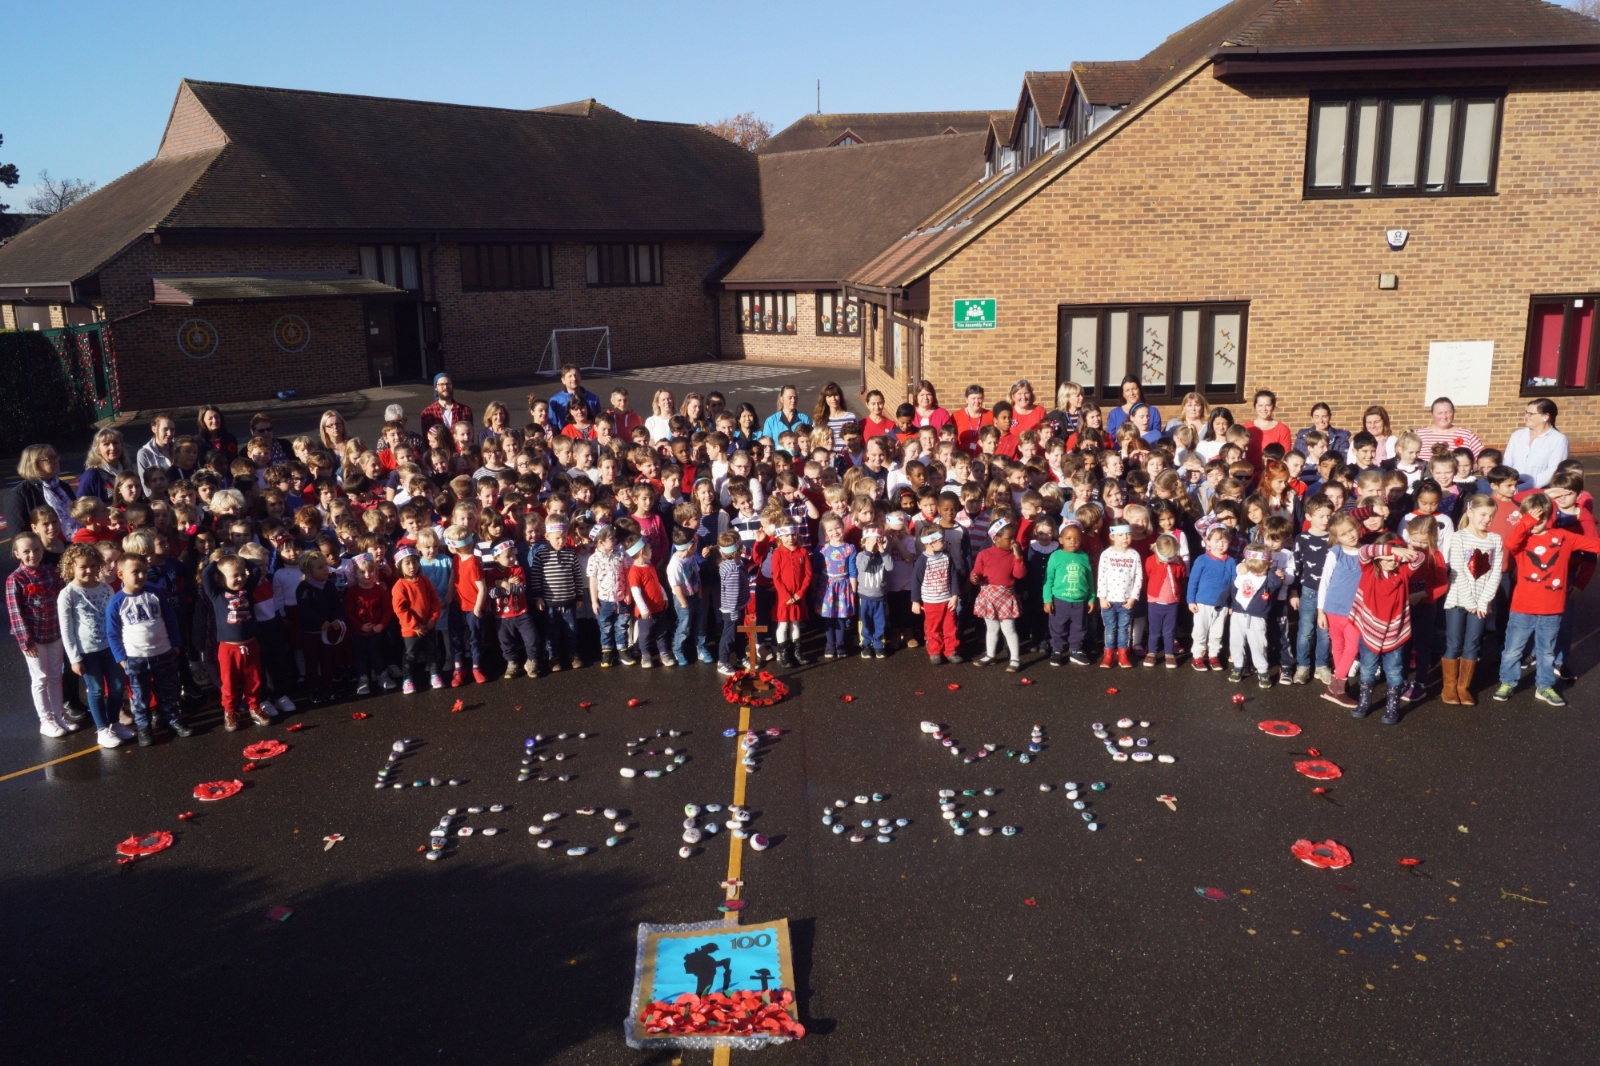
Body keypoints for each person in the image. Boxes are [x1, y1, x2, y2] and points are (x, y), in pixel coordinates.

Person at [1493, 493, 1600, 706]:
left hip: (1552, 608)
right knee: (1513, 648)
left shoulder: (1563, 536)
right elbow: (1511, 543)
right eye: (1529, 518)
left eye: (1540, 518)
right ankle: (1508, 681)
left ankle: (1544, 686)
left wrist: (1584, 515)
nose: (1534, 523)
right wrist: (1527, 521)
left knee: (1547, 650)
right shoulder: (1521, 539)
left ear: (1549, 517)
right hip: (1523, 607)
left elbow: (1594, 545)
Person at [107, 551, 191, 745]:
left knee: (168, 690)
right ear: (121, 575)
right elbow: (112, 633)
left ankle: (174, 720)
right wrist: (121, 657)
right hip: (136, 657)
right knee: (140, 696)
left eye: (144, 571)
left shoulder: (154, 593)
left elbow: (169, 619)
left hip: (163, 652)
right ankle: (144, 728)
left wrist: (175, 644)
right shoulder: (117, 602)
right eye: (135, 572)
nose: (141, 576)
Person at [56, 543, 128, 747]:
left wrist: (121, 646)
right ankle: (102, 730)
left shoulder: (105, 589)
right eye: (83, 567)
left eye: (93, 566)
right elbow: (66, 629)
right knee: (95, 690)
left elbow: (116, 619)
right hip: (87, 652)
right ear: (71, 568)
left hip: (109, 648)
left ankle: (114, 723)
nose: (89, 570)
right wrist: (74, 658)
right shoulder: (68, 594)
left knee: (116, 687)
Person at [9, 532, 74, 738]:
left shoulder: (52, 572)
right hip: (34, 639)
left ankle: (59, 714)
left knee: (56, 675)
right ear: (17, 553)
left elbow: (62, 601)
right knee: (41, 678)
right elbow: (15, 613)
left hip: (54, 632)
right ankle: (45, 720)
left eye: (36, 549)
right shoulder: (15, 579)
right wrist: (25, 641)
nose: (32, 555)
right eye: (26, 551)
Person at [1440, 494, 1502, 707]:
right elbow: (1457, 571)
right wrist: (1470, 602)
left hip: (1481, 605)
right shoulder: (1459, 537)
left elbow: (1495, 574)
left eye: (1491, 516)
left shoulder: (1495, 539)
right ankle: (1449, 686)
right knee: (1454, 643)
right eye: (1483, 514)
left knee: (1473, 643)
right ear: (1470, 512)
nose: (1487, 519)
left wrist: (1483, 602)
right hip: (1459, 600)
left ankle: (1463, 687)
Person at [970, 518, 1026, 671]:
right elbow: (977, 573)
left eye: (1015, 537)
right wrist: (974, 578)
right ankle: (990, 655)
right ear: (996, 538)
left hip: (1006, 596)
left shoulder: (1013, 555)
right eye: (1010, 538)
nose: (1014, 541)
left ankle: (1015, 658)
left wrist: (1017, 557)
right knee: (992, 628)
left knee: (1009, 628)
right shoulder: (984, 554)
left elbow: (1019, 575)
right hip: (989, 595)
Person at [391, 545, 445, 693]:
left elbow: (434, 601)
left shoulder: (425, 580)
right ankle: (407, 679)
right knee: (410, 654)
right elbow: (400, 610)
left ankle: (435, 674)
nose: (411, 566)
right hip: (411, 629)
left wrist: (433, 619)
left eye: (414, 562)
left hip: (428, 625)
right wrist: (415, 625)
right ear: (399, 566)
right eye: (407, 563)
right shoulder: (399, 586)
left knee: (432, 651)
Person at [1228, 545, 1284, 687]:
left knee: (1259, 644)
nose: (1258, 573)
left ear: (1269, 564)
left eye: (1261, 569)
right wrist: (1232, 605)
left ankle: (1263, 671)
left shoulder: (1268, 578)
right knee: (1236, 642)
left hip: (1257, 616)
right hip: (1238, 613)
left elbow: (1276, 583)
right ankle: (1238, 666)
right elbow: (1233, 589)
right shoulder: (1244, 573)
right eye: (1254, 569)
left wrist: (1271, 570)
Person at [6, 444, 82, 544]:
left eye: (55, 457)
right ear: (33, 464)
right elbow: (19, 537)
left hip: (76, 545)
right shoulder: (20, 494)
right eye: (49, 458)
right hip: (45, 553)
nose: (55, 460)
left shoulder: (63, 487)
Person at [911, 526, 960, 664]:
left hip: (947, 599)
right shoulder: (922, 561)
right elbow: (915, 581)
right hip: (931, 602)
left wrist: (955, 595)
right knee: (933, 628)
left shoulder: (947, 557)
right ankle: (935, 651)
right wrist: (915, 601)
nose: (944, 542)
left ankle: (951, 650)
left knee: (950, 626)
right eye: (941, 540)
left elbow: (954, 576)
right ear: (931, 543)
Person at [1096, 522, 1142, 668]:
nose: (1125, 538)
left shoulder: (1134, 555)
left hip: (1126, 601)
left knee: (1124, 629)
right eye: (1120, 535)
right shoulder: (1106, 554)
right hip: (1109, 601)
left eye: (1128, 534)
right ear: (1112, 537)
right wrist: (1102, 597)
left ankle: (1123, 655)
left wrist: (1133, 597)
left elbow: (1138, 577)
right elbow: (1101, 576)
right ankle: (1108, 655)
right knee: (1110, 628)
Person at [815, 514, 857, 659]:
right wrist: (814, 587)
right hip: (827, 587)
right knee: (828, 618)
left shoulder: (849, 548)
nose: (835, 532)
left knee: (840, 617)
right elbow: (817, 570)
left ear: (843, 527)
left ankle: (840, 643)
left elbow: (852, 570)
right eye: (830, 530)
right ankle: (830, 644)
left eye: (837, 528)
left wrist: (853, 589)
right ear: (826, 533)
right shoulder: (822, 549)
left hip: (843, 586)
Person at [1504, 397, 1568, 490]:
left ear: (1545, 416)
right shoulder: (1517, 435)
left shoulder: (1559, 440)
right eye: (1526, 413)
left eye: (1531, 414)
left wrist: (1526, 486)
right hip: (1512, 488)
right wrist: (1508, 484)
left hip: (1537, 491)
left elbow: (1553, 470)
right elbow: (1507, 462)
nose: (1526, 416)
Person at [1414, 396, 1483, 464]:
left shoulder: (1467, 435)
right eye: (1440, 413)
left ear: (1453, 413)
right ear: (1432, 414)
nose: (1444, 417)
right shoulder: (1418, 435)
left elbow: (1482, 459)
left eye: (1448, 412)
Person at [77, 429, 132, 503]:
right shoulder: (91, 475)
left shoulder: (127, 470)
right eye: (106, 444)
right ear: (98, 449)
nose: (112, 447)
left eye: (115, 443)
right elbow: (80, 505)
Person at [1244, 390, 1291, 469]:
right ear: (1255, 406)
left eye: (1268, 405)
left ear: (1273, 406)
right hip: (1248, 474)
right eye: (1260, 405)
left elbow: (1285, 456)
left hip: (1272, 472)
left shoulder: (1282, 429)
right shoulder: (1246, 428)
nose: (1264, 409)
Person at [548, 364, 602, 430]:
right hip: (565, 437)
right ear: (563, 380)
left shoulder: (593, 399)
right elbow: (553, 424)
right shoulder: (556, 400)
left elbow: (599, 422)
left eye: (576, 375)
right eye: (570, 376)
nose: (574, 378)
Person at [812, 382, 857, 452]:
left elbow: (856, 438)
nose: (833, 399)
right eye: (829, 396)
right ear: (825, 399)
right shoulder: (819, 419)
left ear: (840, 396)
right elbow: (814, 441)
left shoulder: (850, 417)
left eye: (835, 395)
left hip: (846, 457)